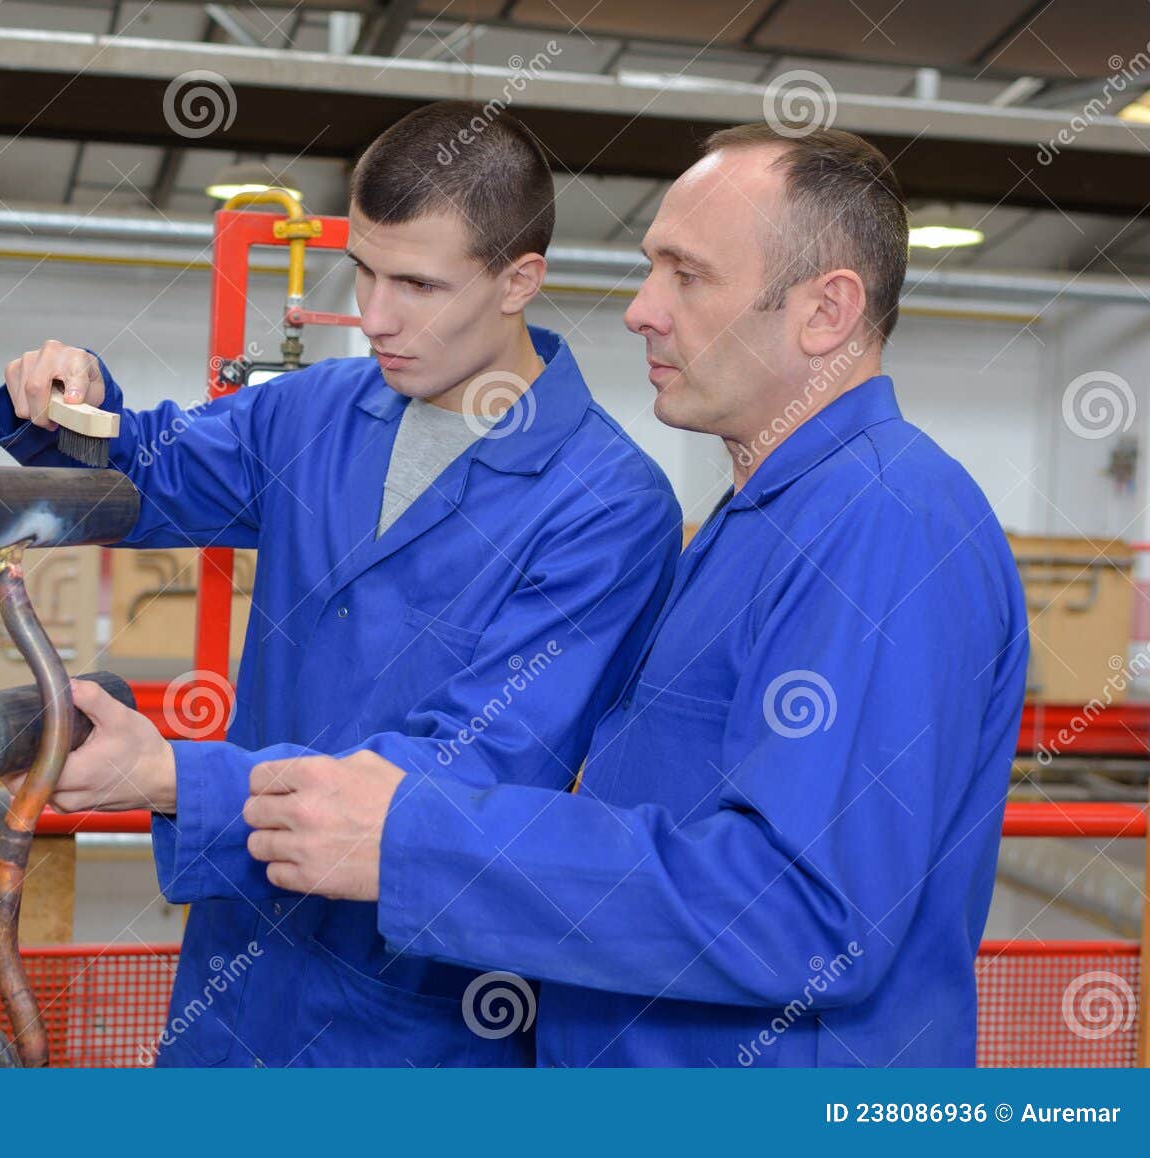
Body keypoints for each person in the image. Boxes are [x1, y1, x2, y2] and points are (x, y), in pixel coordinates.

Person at [244, 123, 1029, 1067]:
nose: (641, 311)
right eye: (651, 268)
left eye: (686, 276)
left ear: (825, 312)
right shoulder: (759, 521)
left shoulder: (884, 524)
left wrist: (421, 840)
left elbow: (803, 915)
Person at [0, 100, 680, 1066]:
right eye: (364, 270)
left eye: (419, 285)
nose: (376, 317)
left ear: (520, 280)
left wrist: (173, 777)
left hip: (414, 1018)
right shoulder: (314, 412)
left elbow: (473, 772)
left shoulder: (605, 506)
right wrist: (72, 405)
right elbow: (145, 471)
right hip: (234, 981)